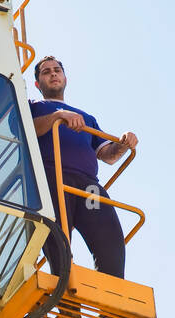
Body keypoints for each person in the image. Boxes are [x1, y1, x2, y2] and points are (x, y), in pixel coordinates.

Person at [29, 55, 138, 280]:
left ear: (65, 77)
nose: (53, 74)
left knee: (111, 244)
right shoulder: (32, 107)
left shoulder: (87, 118)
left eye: (57, 70)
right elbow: (26, 129)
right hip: (51, 178)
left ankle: (110, 307)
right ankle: (69, 308)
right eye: (46, 72)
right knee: (59, 247)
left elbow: (107, 155)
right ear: (38, 84)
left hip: (87, 184)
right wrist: (58, 116)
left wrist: (123, 143)